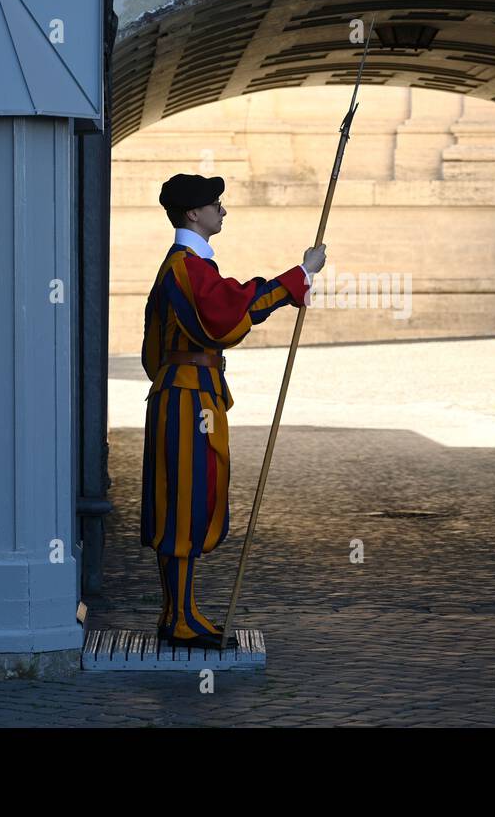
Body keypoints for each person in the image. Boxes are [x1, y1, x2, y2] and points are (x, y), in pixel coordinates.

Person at [140, 172, 327, 649]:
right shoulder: (186, 268)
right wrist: (298, 276)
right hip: (187, 395)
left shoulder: (187, 266)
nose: (222, 209)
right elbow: (230, 313)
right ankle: (178, 618)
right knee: (182, 504)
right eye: (214, 203)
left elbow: (154, 350)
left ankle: (179, 612)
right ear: (192, 214)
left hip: (188, 390)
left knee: (189, 498)